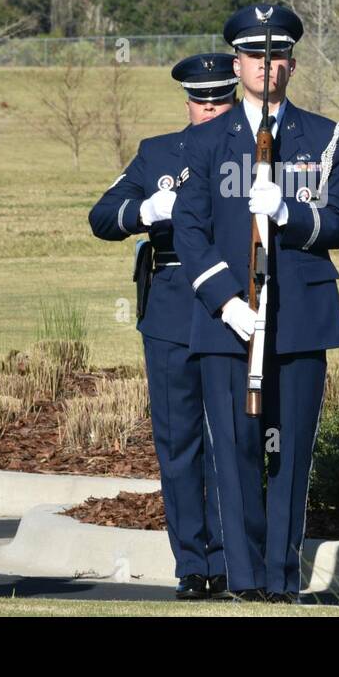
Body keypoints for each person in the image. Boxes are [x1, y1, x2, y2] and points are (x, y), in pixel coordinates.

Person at [173, 3, 339, 602]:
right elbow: (191, 233)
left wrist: (290, 213)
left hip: (301, 319)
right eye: (256, 56)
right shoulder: (204, 142)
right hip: (226, 323)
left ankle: (281, 579)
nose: (267, 67)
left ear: (292, 65)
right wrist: (226, 302)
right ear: (238, 64)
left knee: (290, 456)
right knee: (235, 453)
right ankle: (245, 579)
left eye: (278, 57)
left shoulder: (326, 137)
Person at [87, 53, 238, 600]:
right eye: (200, 100)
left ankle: (233, 558)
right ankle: (192, 564)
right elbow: (102, 216)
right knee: (178, 443)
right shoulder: (158, 153)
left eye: (219, 99)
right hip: (172, 303)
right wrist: (146, 210)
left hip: (231, 302)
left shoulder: (248, 153)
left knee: (233, 439)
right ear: (187, 103)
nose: (209, 109)